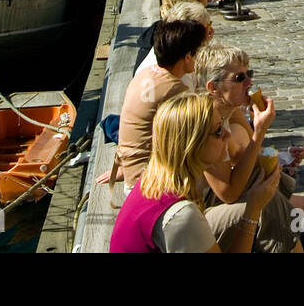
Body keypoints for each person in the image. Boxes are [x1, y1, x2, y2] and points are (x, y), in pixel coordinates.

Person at [197, 45, 304, 252]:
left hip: (228, 199)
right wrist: (259, 132)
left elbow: (252, 158)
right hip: (200, 216)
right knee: (268, 202)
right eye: (239, 78)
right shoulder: (205, 121)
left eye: (249, 74)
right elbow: (228, 193)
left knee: (268, 183)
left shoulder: (232, 111)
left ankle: (302, 230)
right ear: (213, 88)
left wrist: (281, 158)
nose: (250, 83)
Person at [110, 91, 283, 253]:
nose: (227, 135)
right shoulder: (181, 216)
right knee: (267, 208)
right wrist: (253, 210)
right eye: (218, 131)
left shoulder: (157, 177)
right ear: (192, 146)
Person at [115, 18, 210, 189]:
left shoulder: (146, 73)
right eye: (197, 53)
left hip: (132, 171)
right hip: (149, 184)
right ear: (188, 57)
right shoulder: (174, 89)